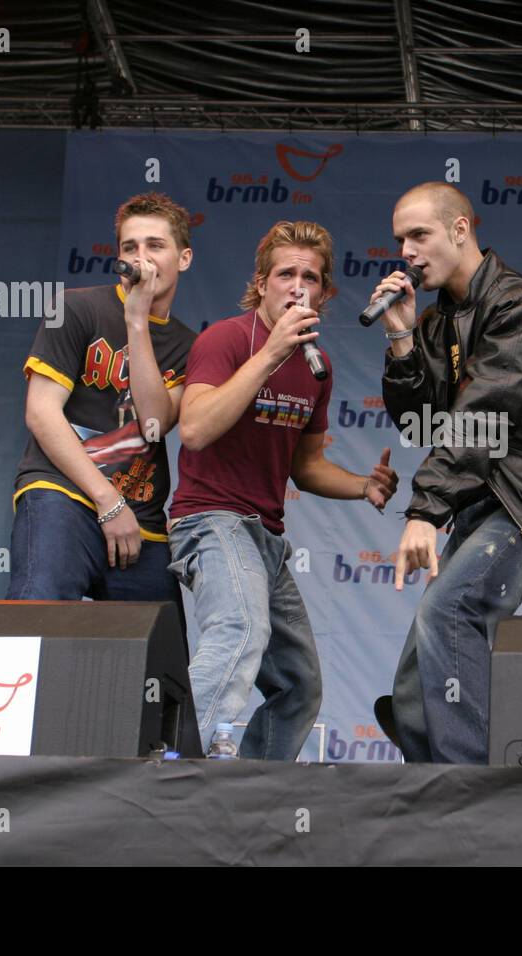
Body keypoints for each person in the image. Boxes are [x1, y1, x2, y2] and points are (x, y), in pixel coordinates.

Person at [370, 182, 522, 764]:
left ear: (461, 230)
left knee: (449, 611)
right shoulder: (437, 321)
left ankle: (471, 787)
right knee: (421, 664)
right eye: (400, 241)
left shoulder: (515, 302)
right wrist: (399, 338)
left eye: (420, 235)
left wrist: (424, 508)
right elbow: (418, 423)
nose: (407, 253)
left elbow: (485, 414)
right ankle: (428, 791)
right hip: (485, 502)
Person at [168, 220, 398, 758]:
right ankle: (172, 768)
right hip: (211, 519)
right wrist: (269, 354)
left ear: (325, 292)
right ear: (261, 282)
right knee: (240, 633)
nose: (298, 286)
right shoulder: (225, 339)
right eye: (286, 273)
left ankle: (252, 791)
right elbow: (196, 429)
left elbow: (307, 467)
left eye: (311, 277)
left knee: (300, 686)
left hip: (266, 538)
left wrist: (363, 485)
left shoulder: (317, 368)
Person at [8, 192, 196, 609]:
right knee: (37, 616)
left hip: (141, 519)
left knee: (160, 662)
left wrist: (136, 321)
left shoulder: (189, 346)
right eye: (130, 247)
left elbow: (155, 423)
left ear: (183, 259)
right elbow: (41, 413)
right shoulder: (75, 307)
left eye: (155, 246)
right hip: (64, 491)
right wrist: (108, 502)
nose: (140, 257)